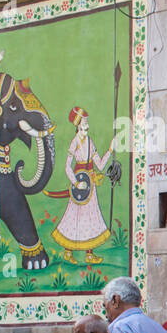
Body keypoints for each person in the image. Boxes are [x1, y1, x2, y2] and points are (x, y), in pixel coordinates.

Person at [51, 107, 115, 264]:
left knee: (92, 217)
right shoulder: (75, 142)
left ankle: (89, 254)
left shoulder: (90, 142)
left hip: (90, 184)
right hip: (79, 184)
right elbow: (67, 167)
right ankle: (68, 252)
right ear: (78, 124)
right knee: (74, 217)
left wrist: (110, 150)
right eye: (85, 122)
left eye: (87, 122)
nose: (87, 125)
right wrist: (75, 183)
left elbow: (100, 165)